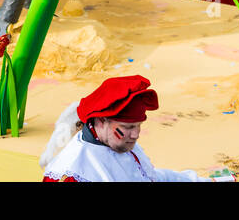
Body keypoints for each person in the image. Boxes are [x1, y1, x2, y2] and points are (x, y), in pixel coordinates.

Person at [41, 76, 211, 181]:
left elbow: (149, 177)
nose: (136, 134)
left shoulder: (119, 141)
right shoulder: (73, 173)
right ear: (101, 121)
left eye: (138, 126)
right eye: (128, 127)